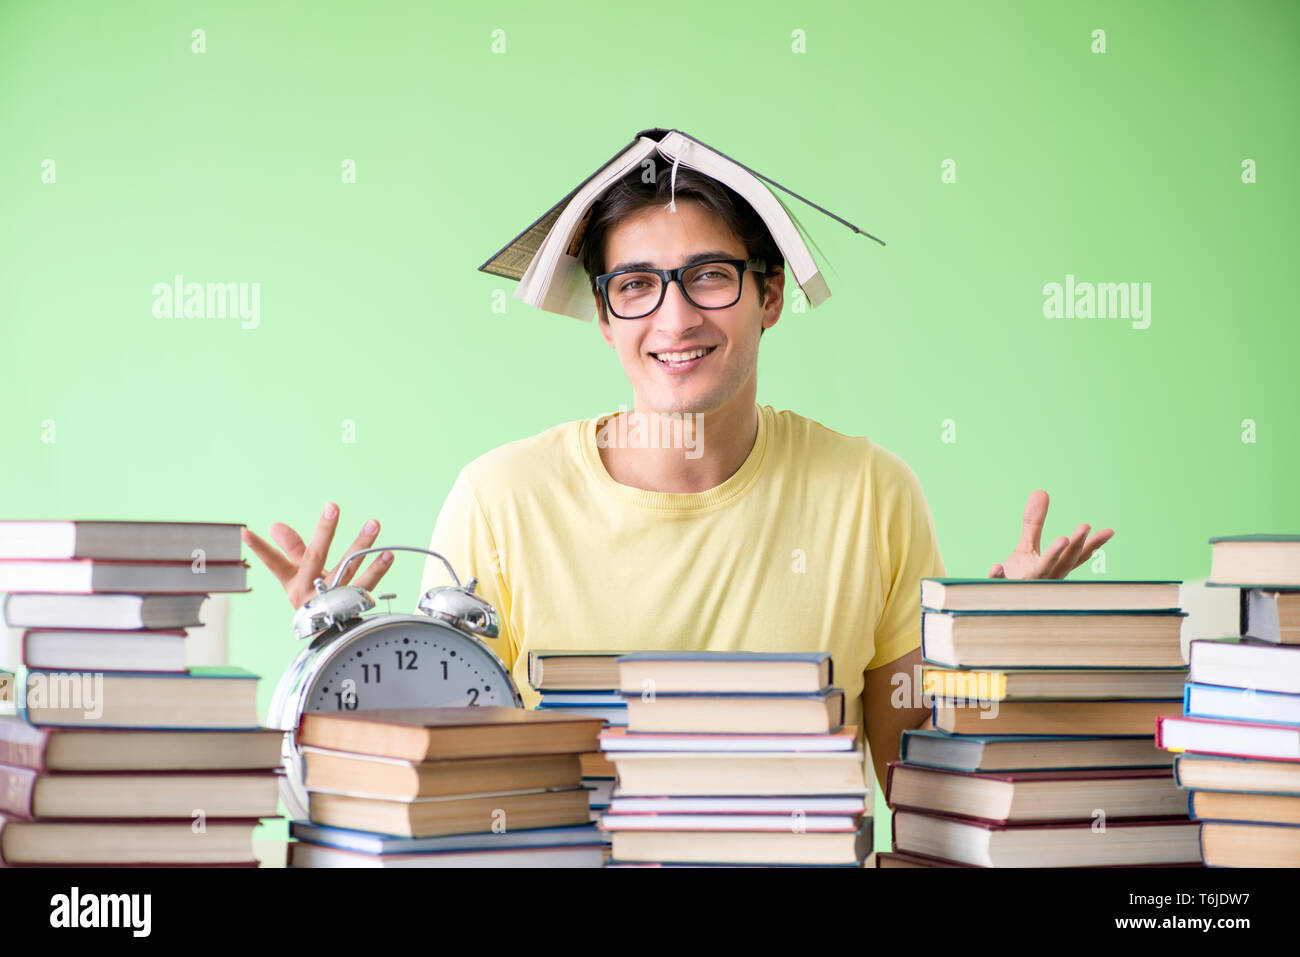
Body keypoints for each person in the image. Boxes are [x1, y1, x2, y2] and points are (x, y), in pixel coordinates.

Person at [242, 165, 1112, 791]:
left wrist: (1002, 647)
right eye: (637, 285)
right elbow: (444, 784)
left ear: (770, 296)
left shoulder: (874, 493)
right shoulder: (499, 500)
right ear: (605, 319)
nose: (676, 315)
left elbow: (914, 775)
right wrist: (336, 658)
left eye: (709, 276)